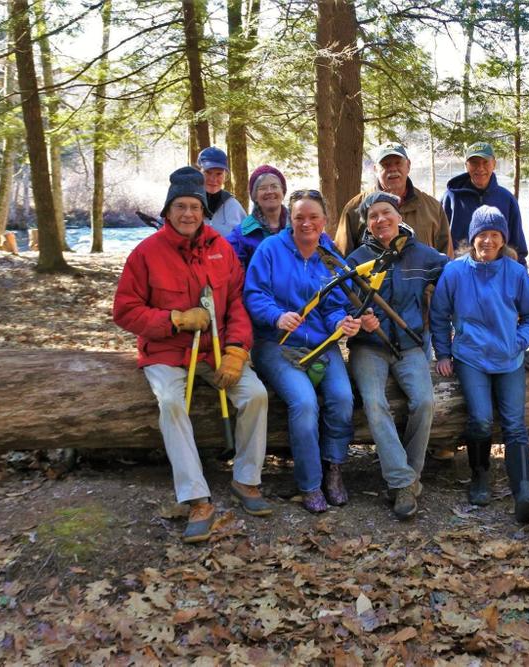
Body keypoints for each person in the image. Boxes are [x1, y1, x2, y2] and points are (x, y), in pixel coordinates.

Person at [113, 166, 271, 544]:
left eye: (195, 207)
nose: (188, 214)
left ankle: (246, 479)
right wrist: (175, 320)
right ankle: (197, 497)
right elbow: (125, 311)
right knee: (171, 403)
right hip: (166, 351)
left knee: (256, 395)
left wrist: (237, 350)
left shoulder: (221, 248)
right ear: (168, 211)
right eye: (180, 207)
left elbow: (238, 302)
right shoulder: (146, 253)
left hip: (215, 350)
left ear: (204, 211)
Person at [243, 189, 362, 514]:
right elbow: (254, 294)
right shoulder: (270, 249)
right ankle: (309, 483)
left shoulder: (331, 257)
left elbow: (335, 306)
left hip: (321, 345)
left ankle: (333, 468)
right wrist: (276, 316)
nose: (306, 223)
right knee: (305, 402)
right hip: (276, 344)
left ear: (325, 220)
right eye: (299, 217)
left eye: (313, 217)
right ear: (290, 220)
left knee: (342, 397)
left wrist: (341, 323)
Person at [430, 205, 529, 524]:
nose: (488, 241)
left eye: (495, 235)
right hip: (470, 358)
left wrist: (518, 341)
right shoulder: (455, 272)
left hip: (509, 359)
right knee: (481, 420)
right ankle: (480, 477)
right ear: (473, 238)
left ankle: (523, 492)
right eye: (482, 234)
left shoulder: (515, 272)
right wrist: (443, 353)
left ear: (503, 239)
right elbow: (438, 315)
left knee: (515, 425)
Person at [345, 192, 448, 520]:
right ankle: (402, 482)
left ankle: (409, 475)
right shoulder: (356, 260)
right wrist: (360, 319)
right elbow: (342, 304)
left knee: (425, 402)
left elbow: (455, 276)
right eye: (373, 216)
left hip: (410, 345)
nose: (380, 220)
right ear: (367, 224)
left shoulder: (422, 255)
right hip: (368, 348)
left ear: (399, 216)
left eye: (386, 212)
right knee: (375, 404)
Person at [330, 142, 452, 256]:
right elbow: (341, 259)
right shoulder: (355, 208)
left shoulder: (432, 208)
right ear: (375, 169)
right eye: (386, 165)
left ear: (408, 165)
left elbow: (447, 259)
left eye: (398, 163)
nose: (393, 169)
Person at [441, 142, 528, 265]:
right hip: (460, 271)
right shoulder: (451, 197)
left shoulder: (507, 199)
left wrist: (521, 273)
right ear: (466, 165)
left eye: (485, 162)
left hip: (498, 272)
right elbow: (439, 242)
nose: (480, 168)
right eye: (474, 163)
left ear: (494, 164)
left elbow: (518, 247)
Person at [227, 165, 289, 269]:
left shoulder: (298, 226)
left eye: (274, 186)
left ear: (283, 191)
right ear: (254, 196)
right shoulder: (241, 235)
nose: (269, 191)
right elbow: (234, 272)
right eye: (263, 188)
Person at [196, 146, 246, 236]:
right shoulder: (188, 203)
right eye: (208, 172)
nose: (213, 179)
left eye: (219, 174)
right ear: (198, 173)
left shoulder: (234, 207)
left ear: (225, 176)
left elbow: (246, 238)